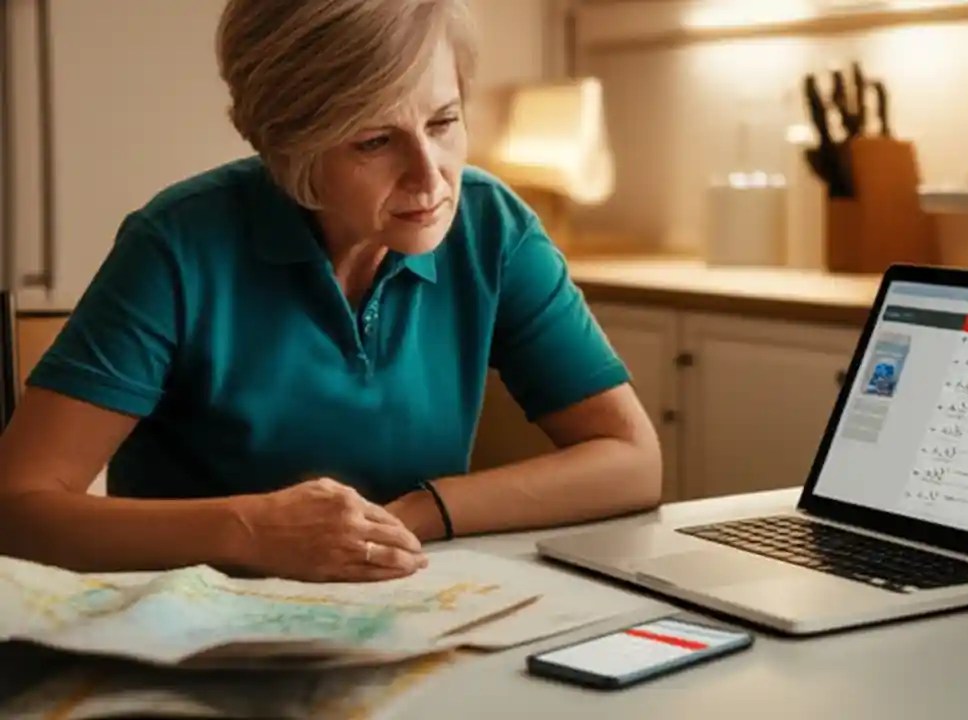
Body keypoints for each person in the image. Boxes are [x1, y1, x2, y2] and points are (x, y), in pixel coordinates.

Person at [0, 0, 661, 583]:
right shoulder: (175, 245)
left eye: (443, 123)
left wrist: (410, 517)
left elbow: (631, 460)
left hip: (418, 609)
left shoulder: (494, 228)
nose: (430, 180)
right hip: (196, 642)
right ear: (288, 142)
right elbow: (15, 508)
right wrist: (252, 531)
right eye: (375, 140)